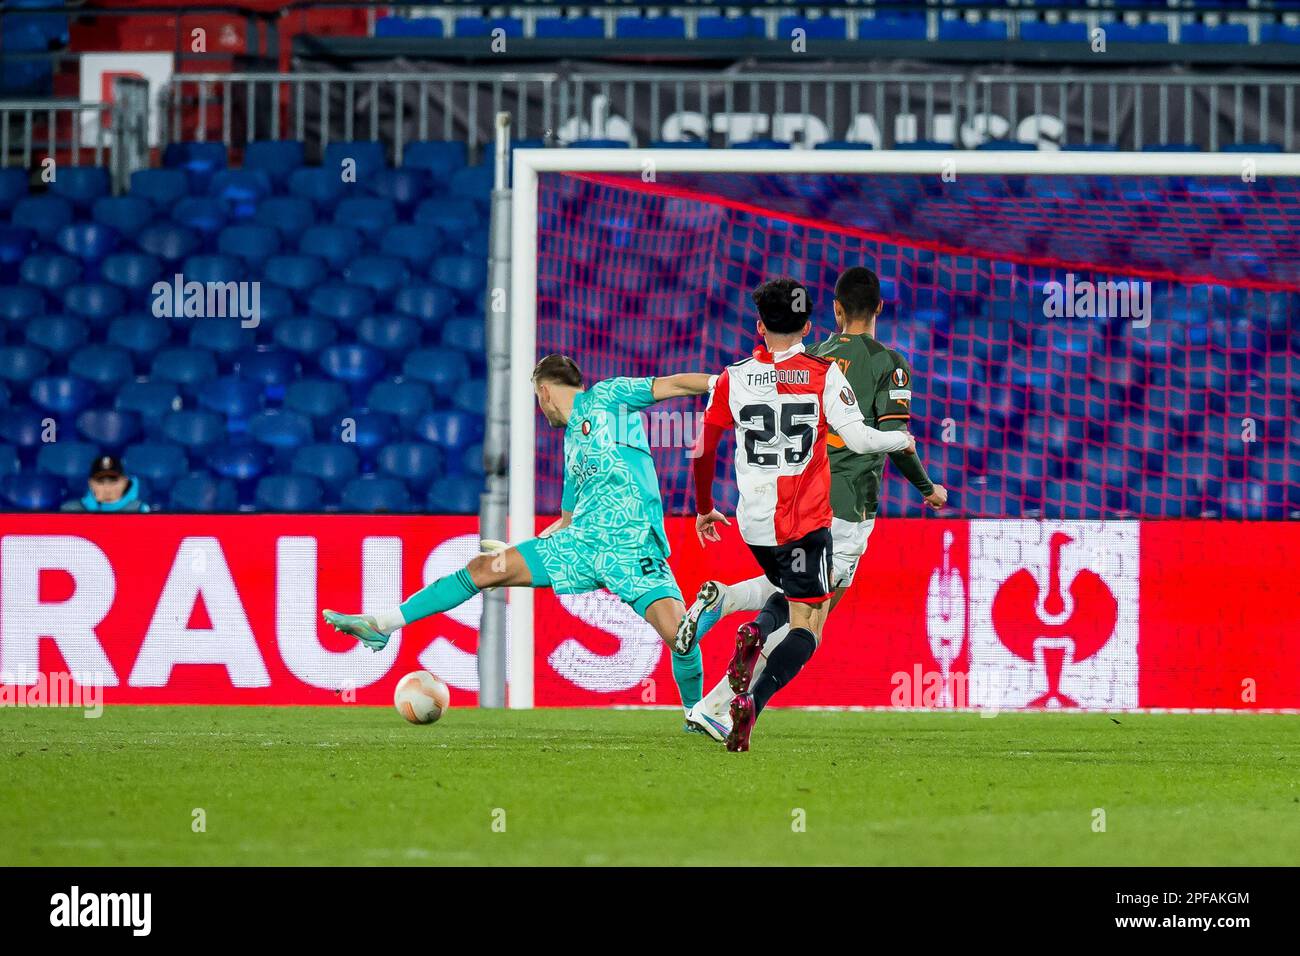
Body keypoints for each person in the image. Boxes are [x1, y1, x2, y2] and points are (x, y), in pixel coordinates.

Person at [324, 354, 715, 726]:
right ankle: (383, 624)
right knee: (483, 569)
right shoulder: (571, 446)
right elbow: (566, 521)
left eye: (536, 398)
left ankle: (695, 715)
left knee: (681, 636)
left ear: (544, 391)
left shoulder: (608, 397)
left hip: (631, 547)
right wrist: (516, 552)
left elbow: (676, 384)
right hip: (579, 545)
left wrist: (723, 384)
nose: (540, 408)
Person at [683, 266, 948, 742]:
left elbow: (706, 442)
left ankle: (722, 635)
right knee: (810, 619)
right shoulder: (885, 362)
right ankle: (734, 703)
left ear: (835, 311)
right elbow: (882, 439)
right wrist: (926, 486)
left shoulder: (809, 357)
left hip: (762, 517)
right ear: (879, 309)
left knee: (792, 590)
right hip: (836, 510)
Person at [61, 454, 151, 513]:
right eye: (100, 482)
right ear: (91, 484)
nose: (107, 489)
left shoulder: (140, 510)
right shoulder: (72, 510)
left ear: (124, 482)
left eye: (113, 482)